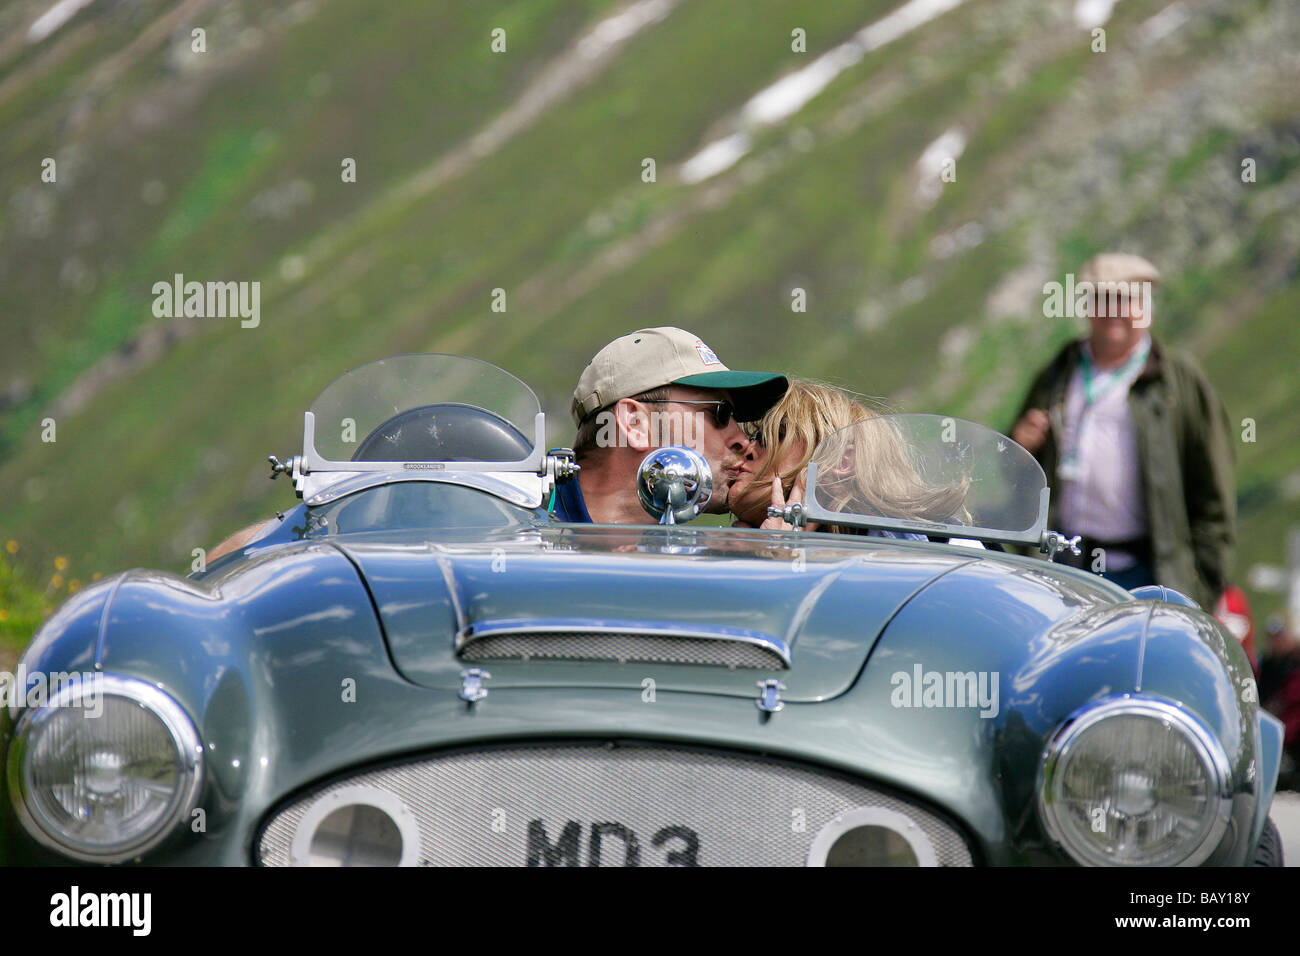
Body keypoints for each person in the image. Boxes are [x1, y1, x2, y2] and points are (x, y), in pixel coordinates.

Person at [1010, 252, 1235, 608]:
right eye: (1103, 299)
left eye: (1126, 300)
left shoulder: (1179, 382)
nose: (1114, 312)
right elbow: (1016, 466)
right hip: (1064, 566)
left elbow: (1213, 495)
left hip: (1147, 573)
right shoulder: (1057, 373)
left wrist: (1202, 586)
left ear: (1146, 308)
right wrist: (1020, 443)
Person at [555, 327, 787, 523]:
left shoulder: (681, 563)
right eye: (720, 412)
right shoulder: (522, 519)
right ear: (635, 423)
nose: (743, 440)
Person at [728, 380, 966, 539]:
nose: (748, 448)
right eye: (755, 436)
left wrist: (782, 570)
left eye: (772, 437)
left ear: (841, 461)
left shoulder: (935, 556)